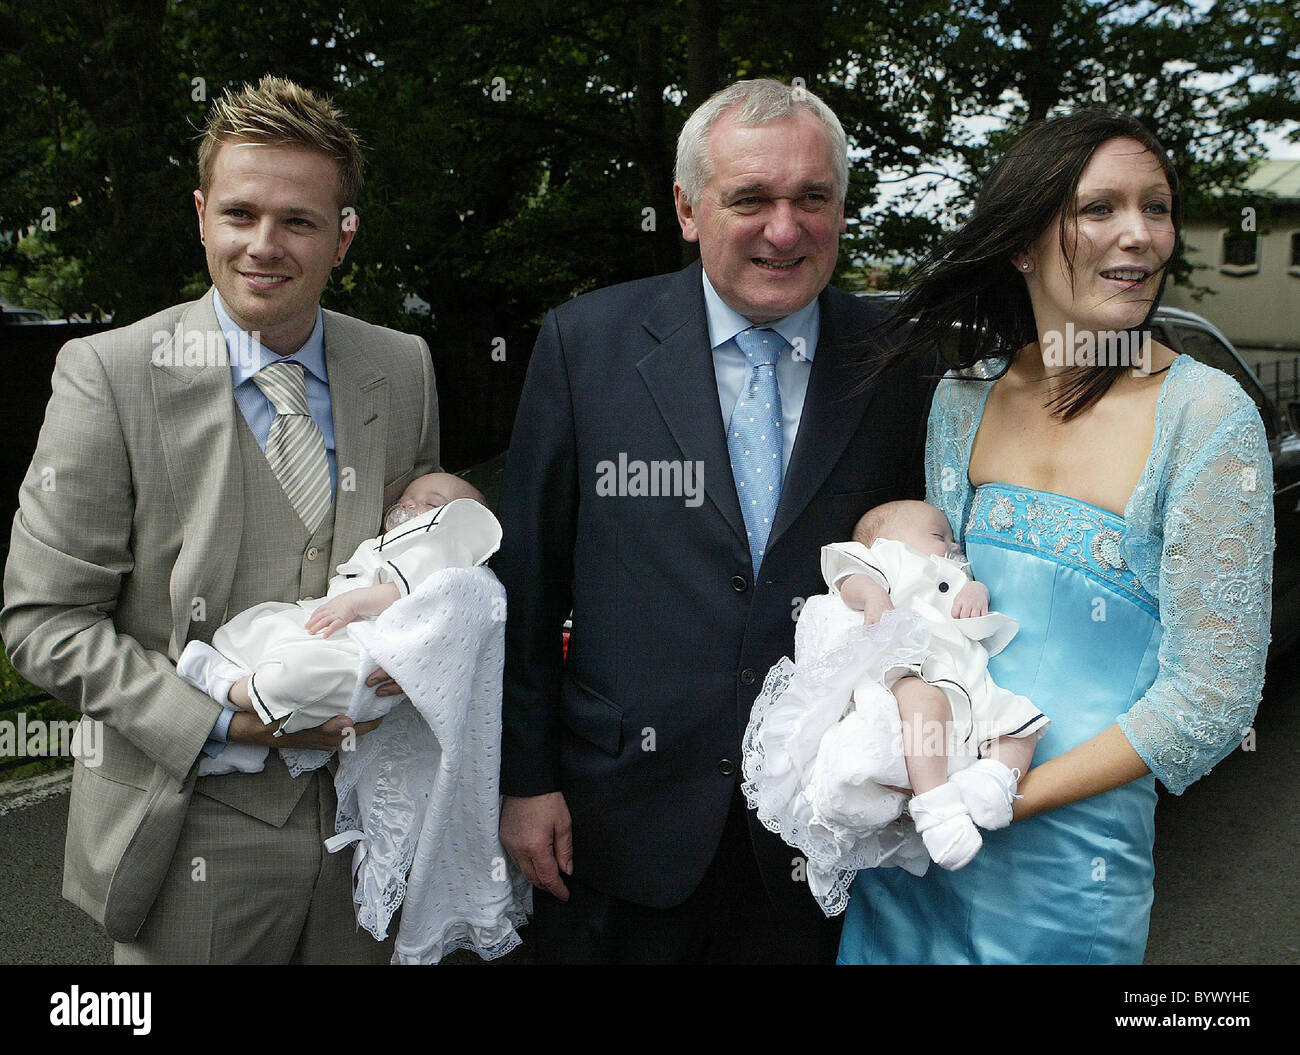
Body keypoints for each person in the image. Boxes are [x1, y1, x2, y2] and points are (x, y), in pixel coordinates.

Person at [494, 78, 935, 964]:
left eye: (812, 197)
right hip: (617, 828)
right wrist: (524, 780)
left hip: (823, 830)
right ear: (688, 209)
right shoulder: (587, 346)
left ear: (842, 209)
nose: (785, 227)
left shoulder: (903, 359)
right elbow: (531, 585)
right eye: (751, 199)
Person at [0, 75, 440, 963]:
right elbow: (43, 624)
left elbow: (423, 547)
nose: (263, 246)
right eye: (239, 214)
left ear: (344, 236)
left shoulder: (402, 366)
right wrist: (226, 723)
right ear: (202, 214)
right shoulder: (108, 375)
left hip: (371, 823)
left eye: (300, 221)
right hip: (192, 826)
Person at [836, 110, 1273, 964]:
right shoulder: (962, 401)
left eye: (1156, 207)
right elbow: (936, 613)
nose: (1139, 235)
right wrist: (914, 775)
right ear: (1022, 242)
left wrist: (998, 796)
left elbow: (1212, 698)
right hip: (916, 847)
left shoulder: (1206, 417)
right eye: (1099, 208)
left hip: (1067, 870)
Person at [742, 499, 1048, 910]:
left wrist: (975, 590)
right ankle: (936, 807)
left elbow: (977, 626)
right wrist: (871, 594)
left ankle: (990, 781)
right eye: (939, 535)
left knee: (1023, 723)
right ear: (886, 539)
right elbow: (845, 574)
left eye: (953, 539)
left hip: (968, 681)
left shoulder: (958, 574)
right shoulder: (887, 559)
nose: (952, 545)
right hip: (908, 669)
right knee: (925, 701)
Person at [176, 473, 499, 775]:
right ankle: (244, 740)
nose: (408, 505)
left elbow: (405, 592)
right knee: (259, 627)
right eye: (404, 498)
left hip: (362, 645)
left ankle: (225, 686)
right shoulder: (389, 544)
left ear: (461, 524)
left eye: (430, 503)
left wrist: (354, 602)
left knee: (297, 678)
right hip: (333, 623)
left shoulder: (441, 550)